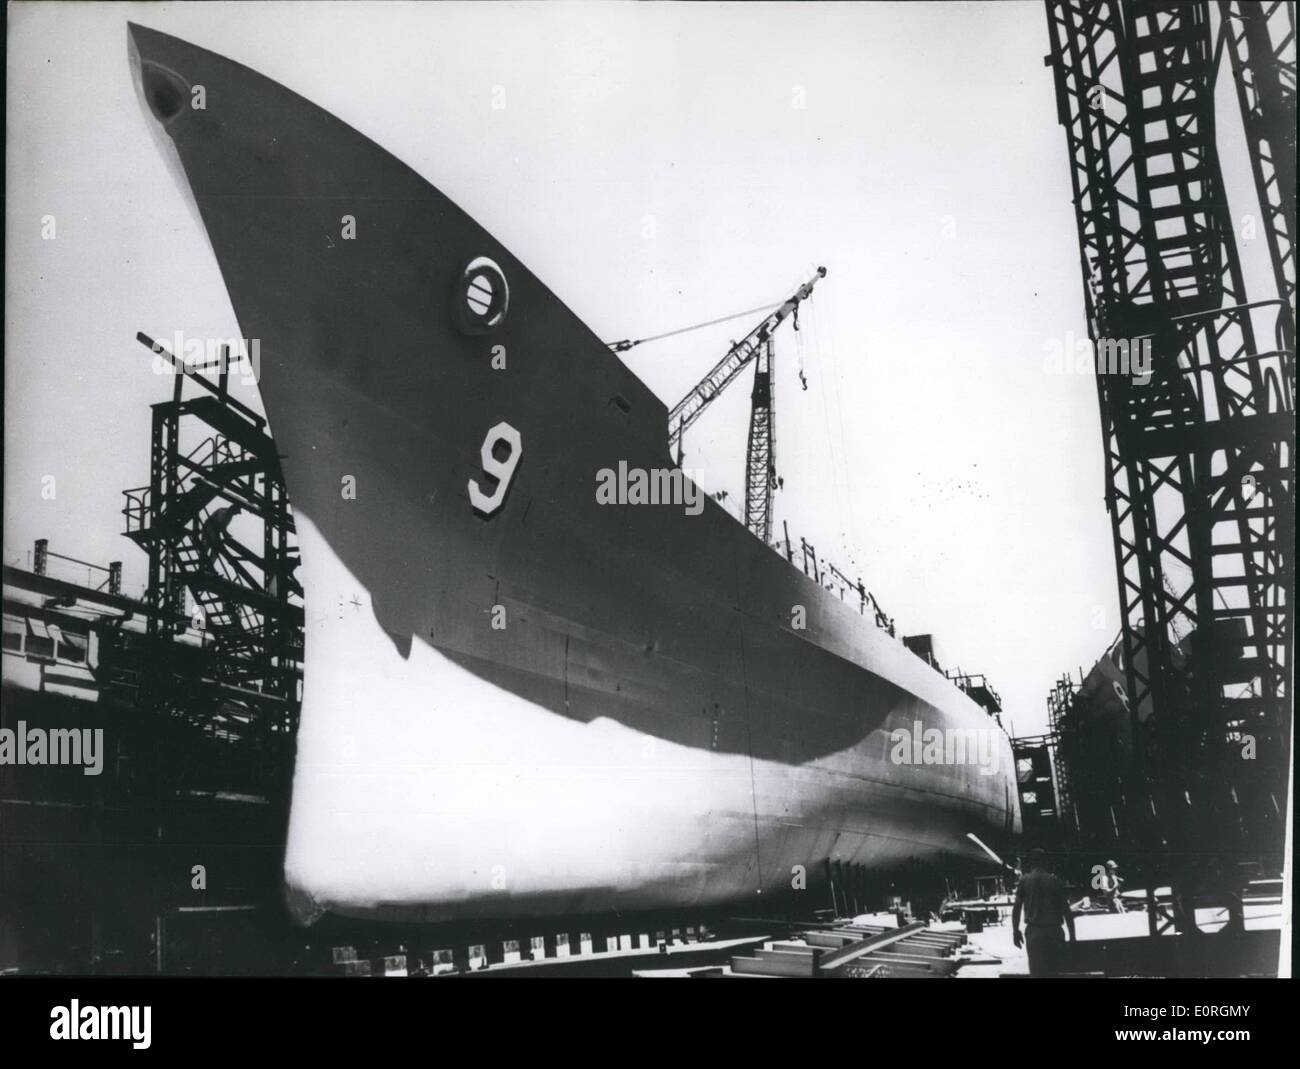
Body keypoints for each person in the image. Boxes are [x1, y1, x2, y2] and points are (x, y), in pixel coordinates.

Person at [1012, 847, 1076, 977]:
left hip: (1034, 934)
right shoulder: (1055, 881)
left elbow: (1016, 908)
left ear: (1030, 863)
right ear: (1045, 862)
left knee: (1037, 973)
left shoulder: (1024, 881)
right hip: (1054, 933)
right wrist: (1072, 937)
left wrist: (1015, 931)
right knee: (1055, 972)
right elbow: (1067, 911)